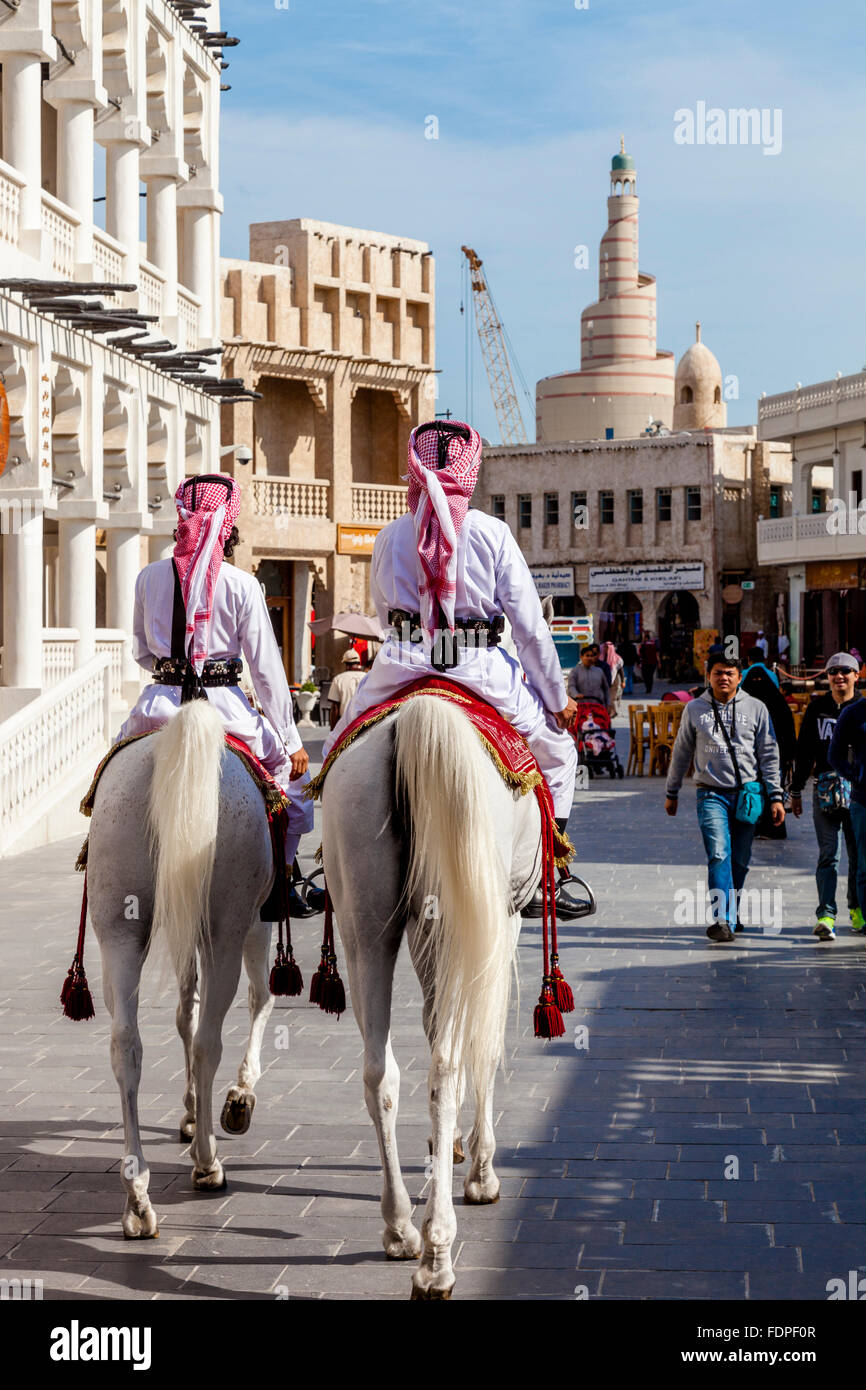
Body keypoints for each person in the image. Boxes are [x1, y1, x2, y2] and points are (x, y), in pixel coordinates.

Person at [323, 418, 585, 916]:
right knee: (557, 752)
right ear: (469, 470)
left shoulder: (389, 537)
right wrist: (558, 700)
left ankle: (326, 865)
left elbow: (382, 617)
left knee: (338, 749)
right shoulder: (492, 533)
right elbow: (529, 629)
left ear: (414, 471)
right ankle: (548, 876)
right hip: (481, 670)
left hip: (400, 666)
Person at [117, 472, 316, 914]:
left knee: (111, 778)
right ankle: (282, 881)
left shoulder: (148, 578)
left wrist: (173, 673)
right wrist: (292, 740)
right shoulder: (242, 584)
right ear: (228, 526)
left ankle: (102, 859)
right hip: (225, 710)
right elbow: (266, 669)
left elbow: (140, 652)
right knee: (292, 780)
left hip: (158, 707)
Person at [665, 649, 784, 943]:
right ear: (709, 676)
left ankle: (732, 912)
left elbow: (769, 753)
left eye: (730, 673)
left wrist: (777, 795)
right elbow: (681, 751)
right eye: (718, 672)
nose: (724, 678)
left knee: (740, 861)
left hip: (748, 794)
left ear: (739, 677)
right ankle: (723, 918)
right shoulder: (694, 709)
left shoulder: (757, 708)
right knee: (719, 854)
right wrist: (672, 791)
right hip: (710, 794)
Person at [791, 653, 863, 941]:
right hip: (825, 790)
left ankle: (857, 909)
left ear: (856, 675)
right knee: (828, 855)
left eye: (846, 670)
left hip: (858, 792)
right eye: (833, 671)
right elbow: (804, 749)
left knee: (858, 855)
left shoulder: (862, 708)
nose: (839, 676)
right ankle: (826, 915)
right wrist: (795, 790)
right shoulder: (817, 708)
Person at [828, 672, 866, 941]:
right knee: (864, 865)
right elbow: (835, 754)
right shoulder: (854, 714)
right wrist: (856, 775)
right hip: (864, 800)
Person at [740, 658, 796, 840]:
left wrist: (788, 756)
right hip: (751, 756)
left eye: (760, 681)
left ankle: (770, 827)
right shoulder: (773, 701)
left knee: (771, 791)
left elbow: (787, 730)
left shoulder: (774, 703)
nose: (757, 685)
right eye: (754, 682)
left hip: (771, 756)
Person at [327, 648, 366, 730]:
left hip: (345, 725)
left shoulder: (338, 679)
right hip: (365, 723)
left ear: (346, 664)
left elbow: (335, 708)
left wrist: (333, 730)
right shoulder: (367, 677)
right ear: (358, 663)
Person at [600, 640, 624, 716]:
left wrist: (623, 681)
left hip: (614, 681)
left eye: (607, 648)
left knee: (611, 698)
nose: (606, 649)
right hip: (603, 680)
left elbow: (621, 671)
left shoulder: (617, 659)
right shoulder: (601, 657)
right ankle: (610, 711)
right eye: (605, 647)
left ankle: (612, 712)